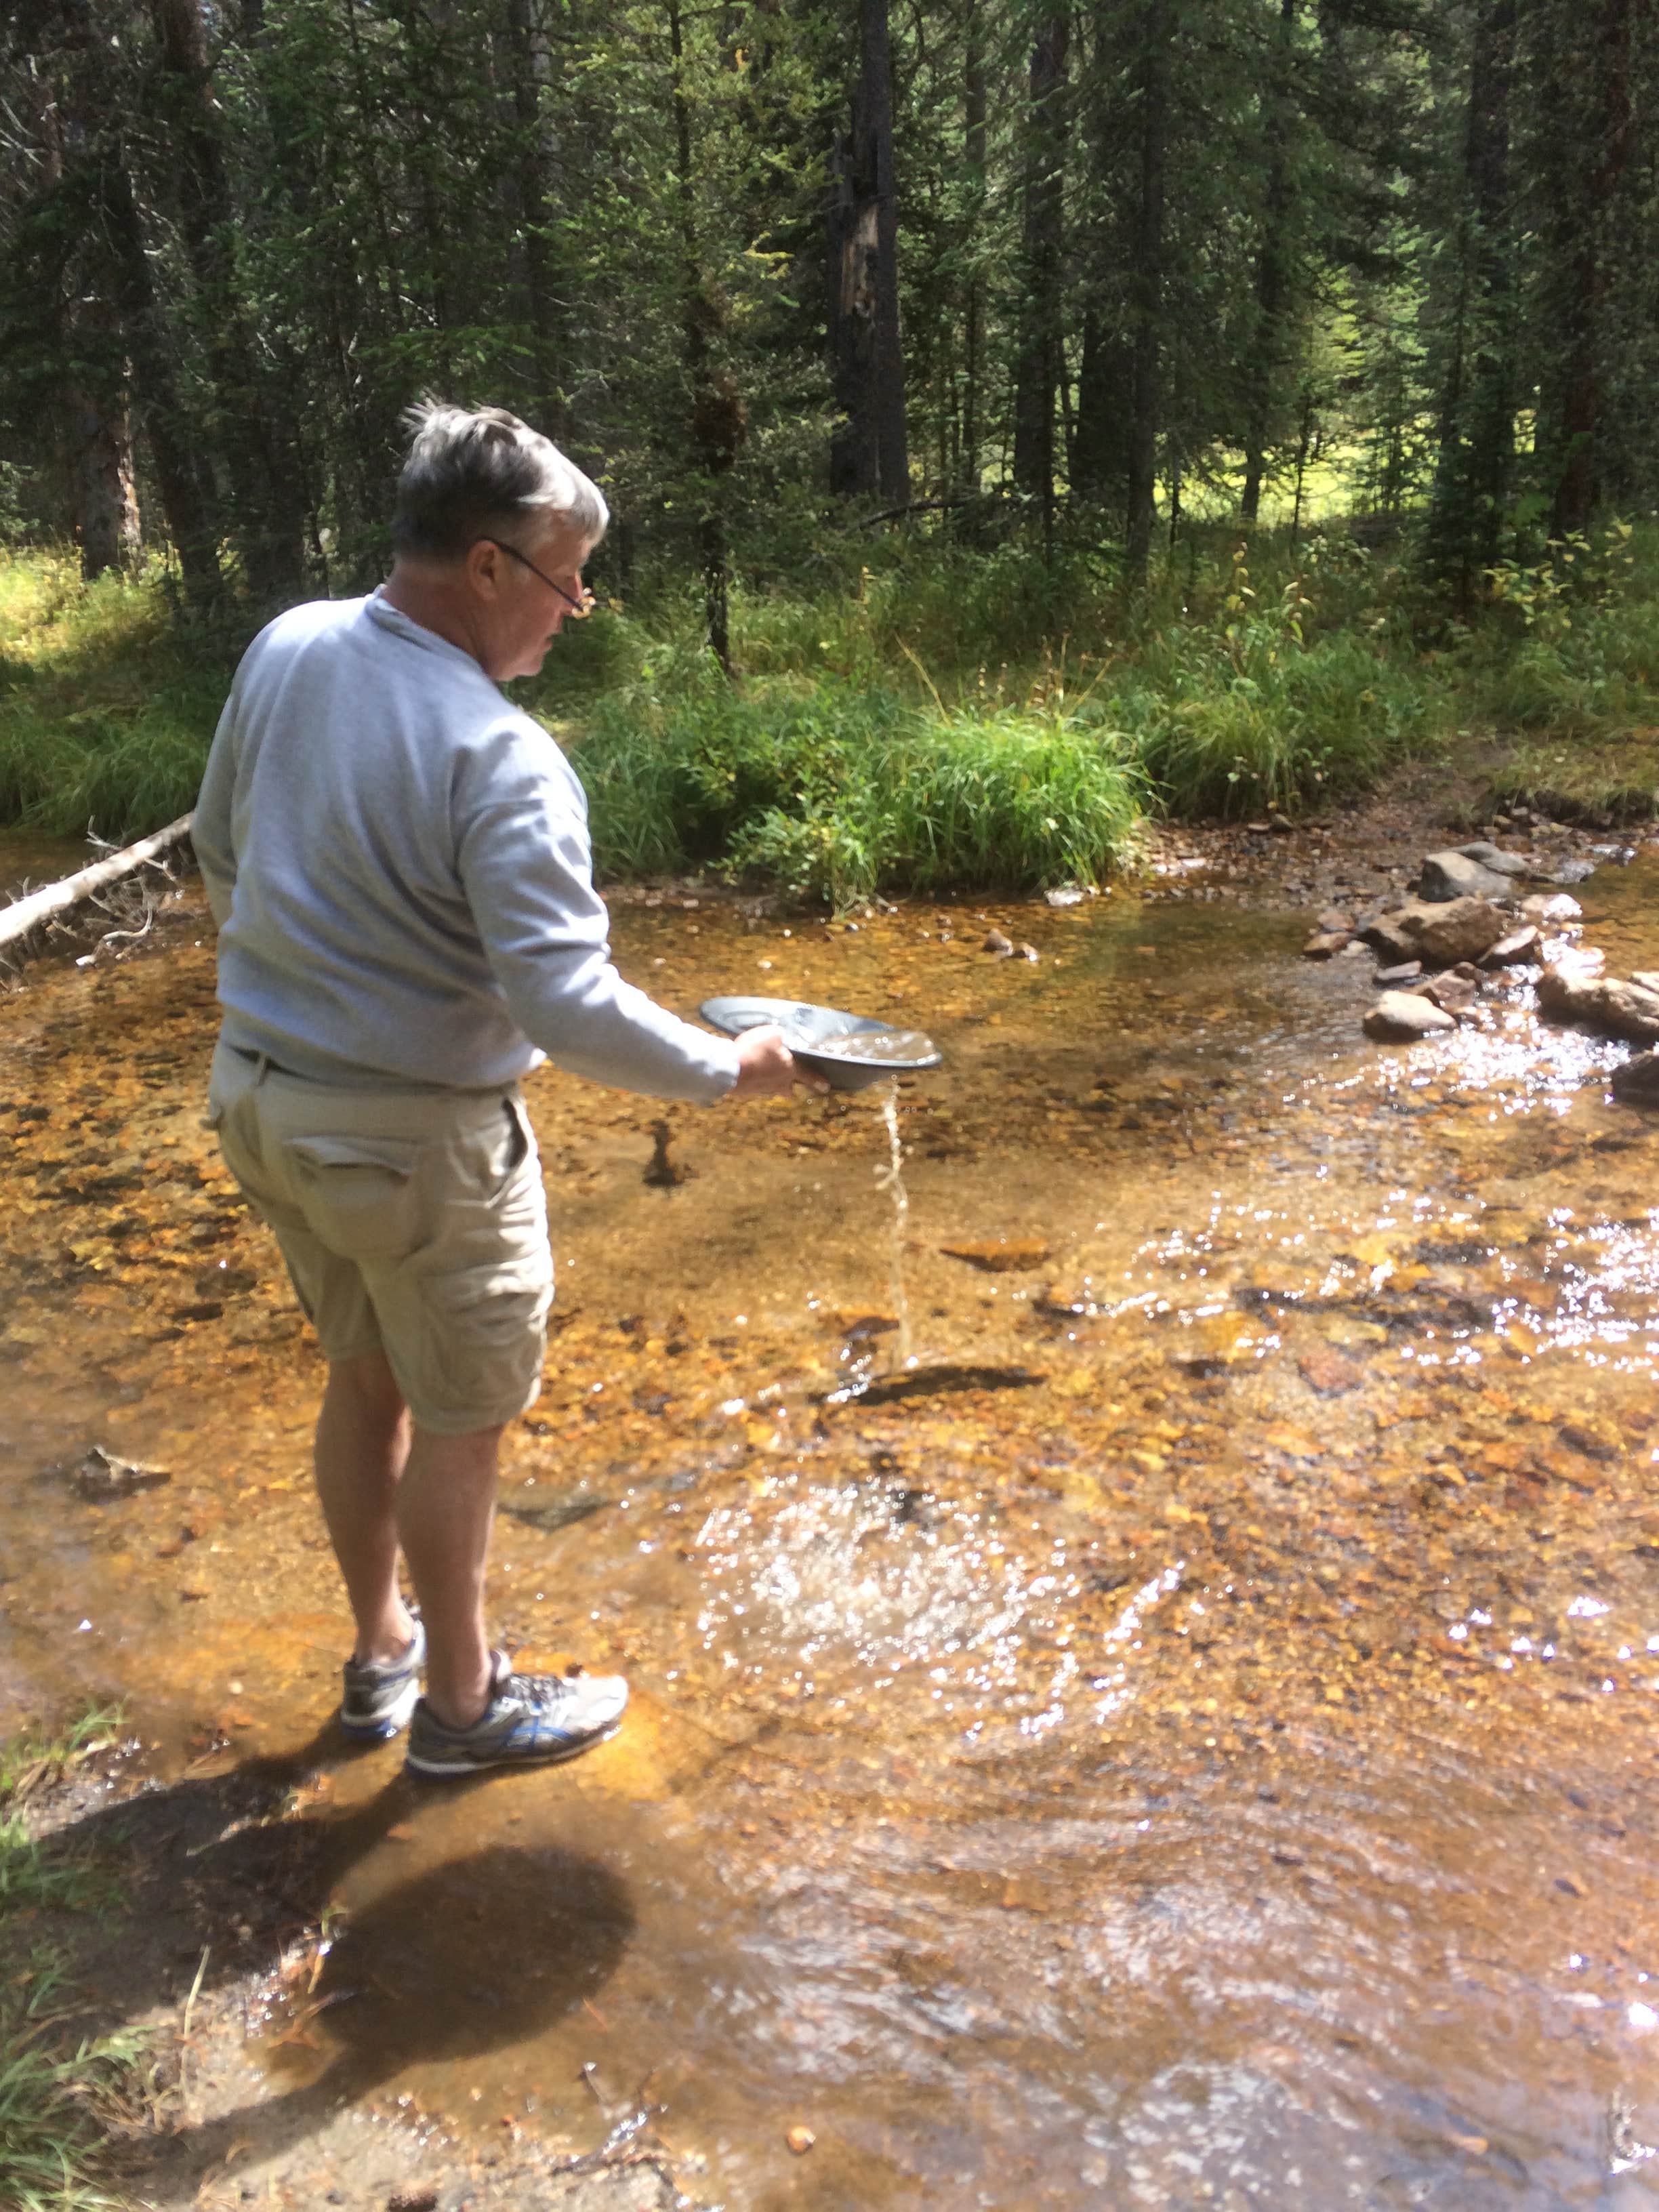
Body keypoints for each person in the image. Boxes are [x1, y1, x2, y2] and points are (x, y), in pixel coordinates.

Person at [192, 401, 817, 1780]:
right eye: (566, 575)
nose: (576, 608)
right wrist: (730, 1068)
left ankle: (381, 1659)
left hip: (261, 1105)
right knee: (462, 1425)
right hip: (418, 1145)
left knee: (363, 1388)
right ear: (487, 567)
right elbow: (567, 1006)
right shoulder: (503, 755)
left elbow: (221, 852)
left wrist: (317, 976)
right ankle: (465, 1714)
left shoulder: (287, 645)